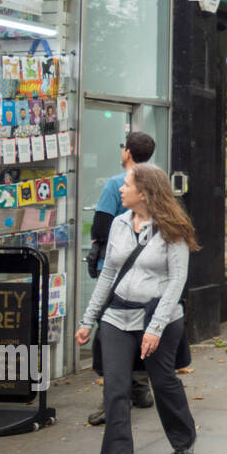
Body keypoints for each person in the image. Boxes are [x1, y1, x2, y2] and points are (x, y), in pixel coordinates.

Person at [75, 163, 199, 454]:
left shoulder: (172, 228)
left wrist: (155, 327)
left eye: (127, 184)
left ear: (143, 192)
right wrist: (88, 320)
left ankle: (183, 438)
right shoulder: (117, 224)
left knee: (163, 381)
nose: (121, 188)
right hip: (117, 318)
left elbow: (176, 281)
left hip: (159, 319)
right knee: (115, 391)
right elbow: (108, 275)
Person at [87, 131, 156, 424]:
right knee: (140, 326)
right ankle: (140, 387)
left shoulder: (117, 184)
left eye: (122, 147)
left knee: (110, 332)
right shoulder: (157, 179)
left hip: (117, 270)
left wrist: (97, 252)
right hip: (149, 270)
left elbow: (101, 226)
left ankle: (113, 399)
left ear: (127, 152)